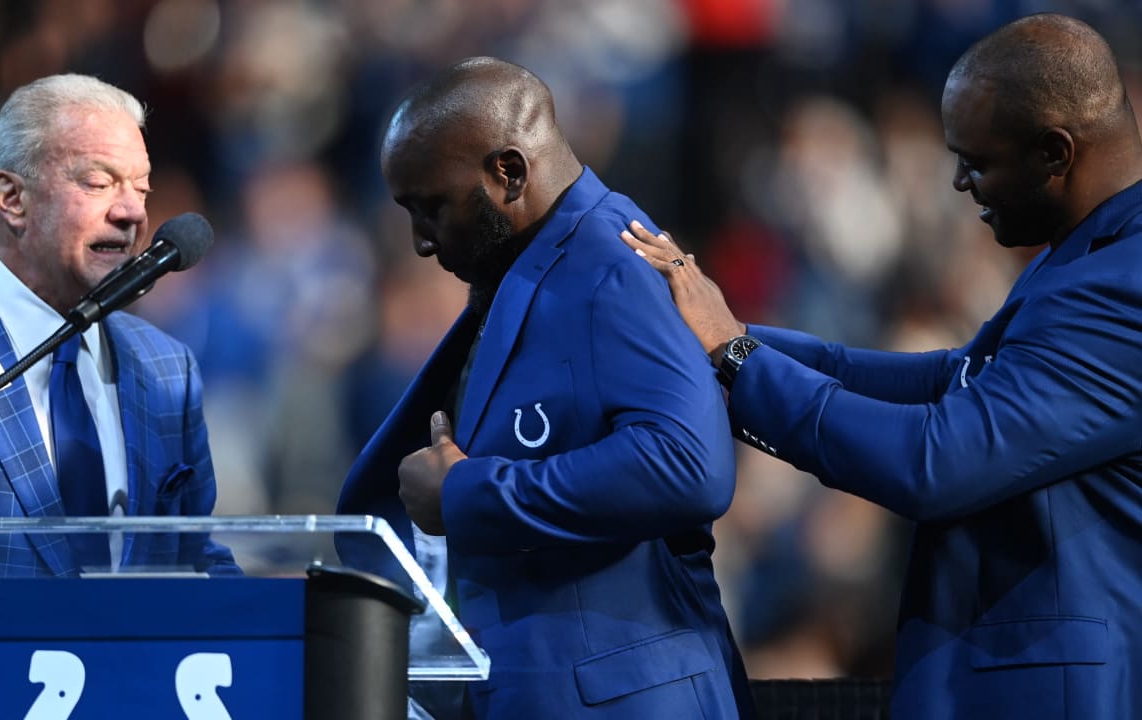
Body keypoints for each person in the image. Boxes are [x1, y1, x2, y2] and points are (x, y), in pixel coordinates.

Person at [623, 13, 1142, 719]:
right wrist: (732, 339)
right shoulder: (1084, 255)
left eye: (978, 161)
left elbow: (935, 461)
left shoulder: (1123, 284)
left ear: (1055, 152)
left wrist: (735, 357)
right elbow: (949, 378)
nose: (959, 182)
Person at [336, 57, 754, 719]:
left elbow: (689, 465)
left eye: (432, 207)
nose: (419, 241)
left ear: (508, 172)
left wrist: (467, 491)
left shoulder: (609, 264)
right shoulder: (537, 267)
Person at [0, 74, 236, 717]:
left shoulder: (166, 370)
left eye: (140, 189)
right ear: (11, 198)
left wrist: (290, 637)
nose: (134, 212)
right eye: (99, 182)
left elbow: (192, 557)